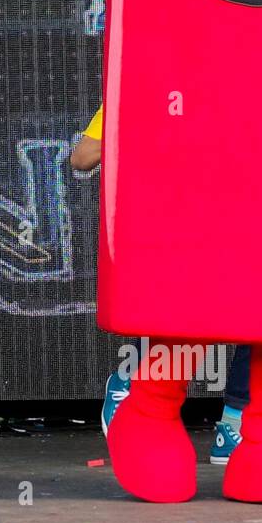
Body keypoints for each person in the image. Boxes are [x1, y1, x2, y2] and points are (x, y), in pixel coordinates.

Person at [72, 105, 250, 464]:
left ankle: (234, 423)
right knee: (193, 317)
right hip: (178, 222)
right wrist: (148, 128)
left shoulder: (246, 87)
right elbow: (82, 157)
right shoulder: (135, 93)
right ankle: (133, 382)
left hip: (241, 214)